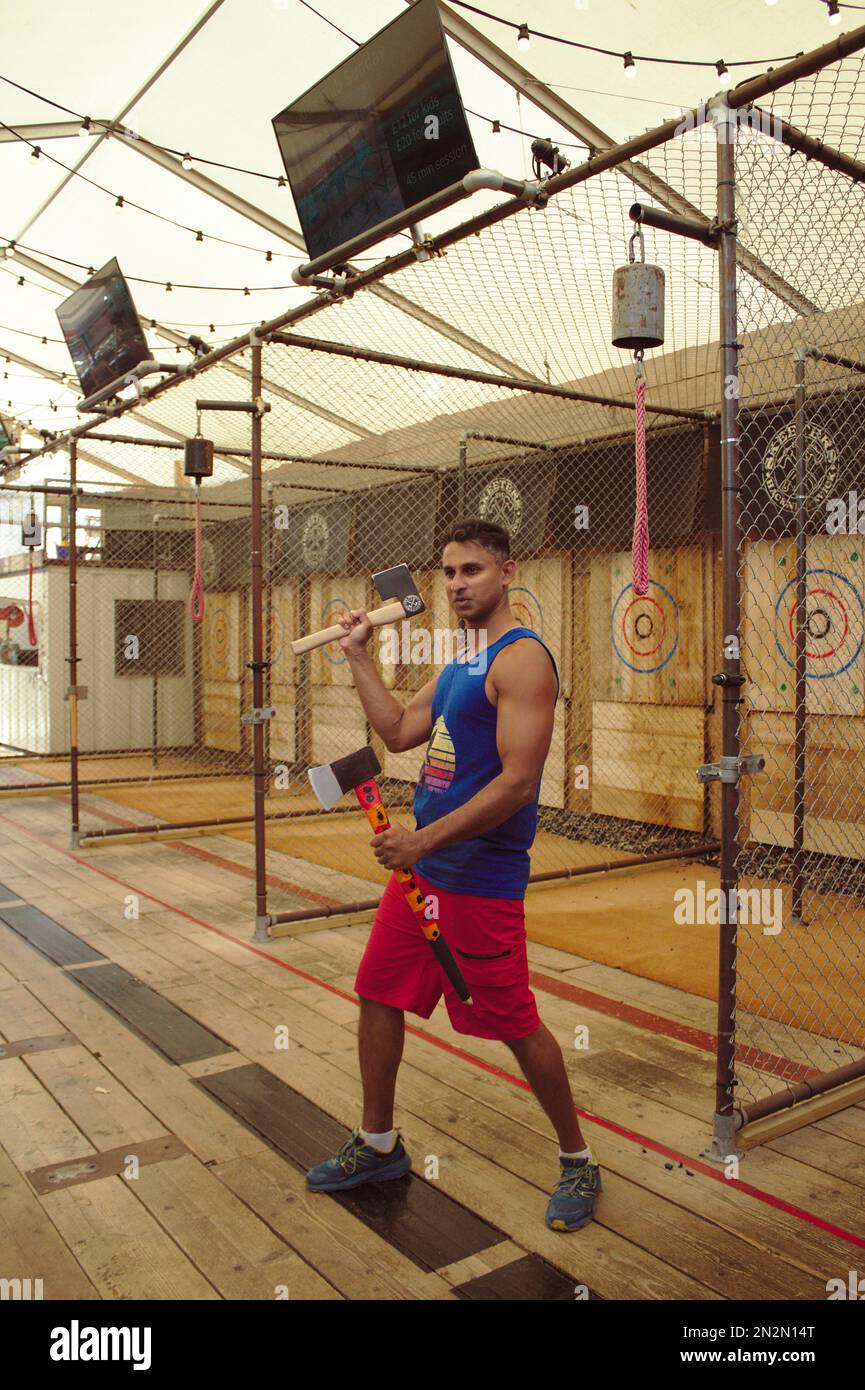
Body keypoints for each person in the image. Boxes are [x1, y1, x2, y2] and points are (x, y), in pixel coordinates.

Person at [306, 518, 600, 1231]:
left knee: (513, 1023)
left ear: (505, 573)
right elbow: (399, 732)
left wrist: (420, 841)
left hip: (477, 877)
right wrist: (358, 657)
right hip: (423, 871)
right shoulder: (460, 661)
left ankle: (577, 1159)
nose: (458, 583)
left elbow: (516, 785)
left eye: (472, 570)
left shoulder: (519, 659)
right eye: (448, 572)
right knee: (377, 991)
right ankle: (379, 1144)